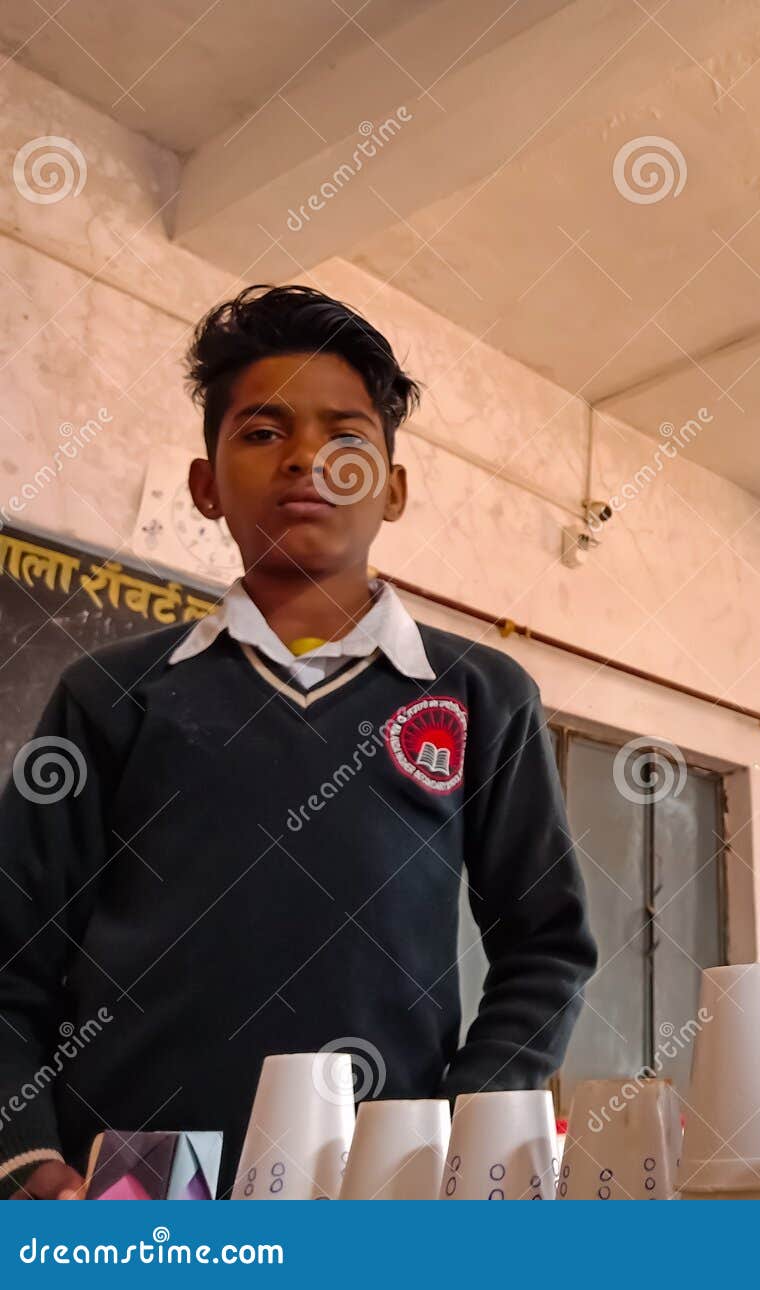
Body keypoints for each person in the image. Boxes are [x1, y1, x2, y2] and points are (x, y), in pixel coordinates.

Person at [0, 285, 597, 1198]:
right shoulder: (111, 696)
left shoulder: (480, 694)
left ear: (393, 490)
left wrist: (465, 1124)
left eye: (348, 436)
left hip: (380, 1194)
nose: (307, 458)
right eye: (262, 432)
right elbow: (12, 961)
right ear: (205, 486)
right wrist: (30, 1162)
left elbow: (545, 945)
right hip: (129, 1196)